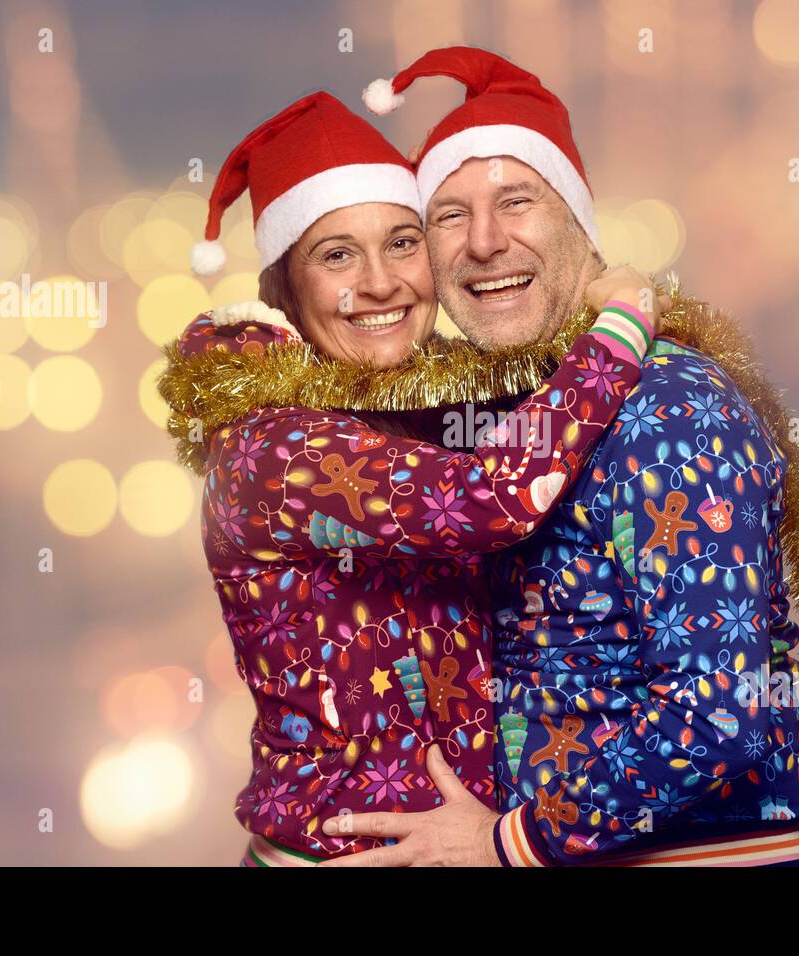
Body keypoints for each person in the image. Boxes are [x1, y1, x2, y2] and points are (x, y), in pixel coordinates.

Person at [323, 47, 799, 867]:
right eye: (448, 216)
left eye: (516, 201)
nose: (485, 242)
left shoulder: (671, 408)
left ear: (578, 220)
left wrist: (512, 841)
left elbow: (721, 707)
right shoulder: (513, 415)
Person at [159, 90, 666, 866]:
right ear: (284, 292)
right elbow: (492, 499)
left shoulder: (410, 414)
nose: (381, 282)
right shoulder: (276, 449)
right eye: (336, 255)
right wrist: (622, 323)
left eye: (402, 243)